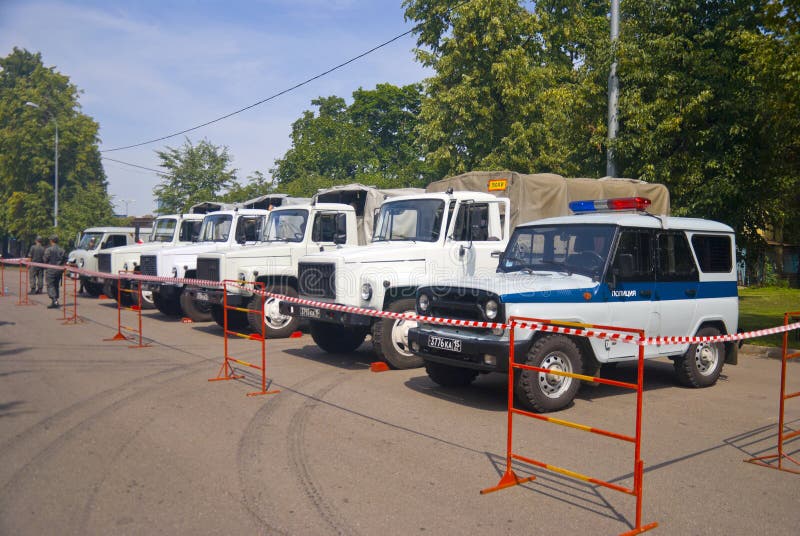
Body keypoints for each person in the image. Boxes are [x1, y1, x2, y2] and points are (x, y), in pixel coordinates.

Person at [43, 235, 66, 309]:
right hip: (59, 270)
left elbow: (45, 259)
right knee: (56, 284)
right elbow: (65, 260)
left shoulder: (48, 249)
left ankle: (54, 300)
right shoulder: (62, 250)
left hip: (51, 269)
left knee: (50, 284)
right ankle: (55, 299)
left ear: (51, 241)